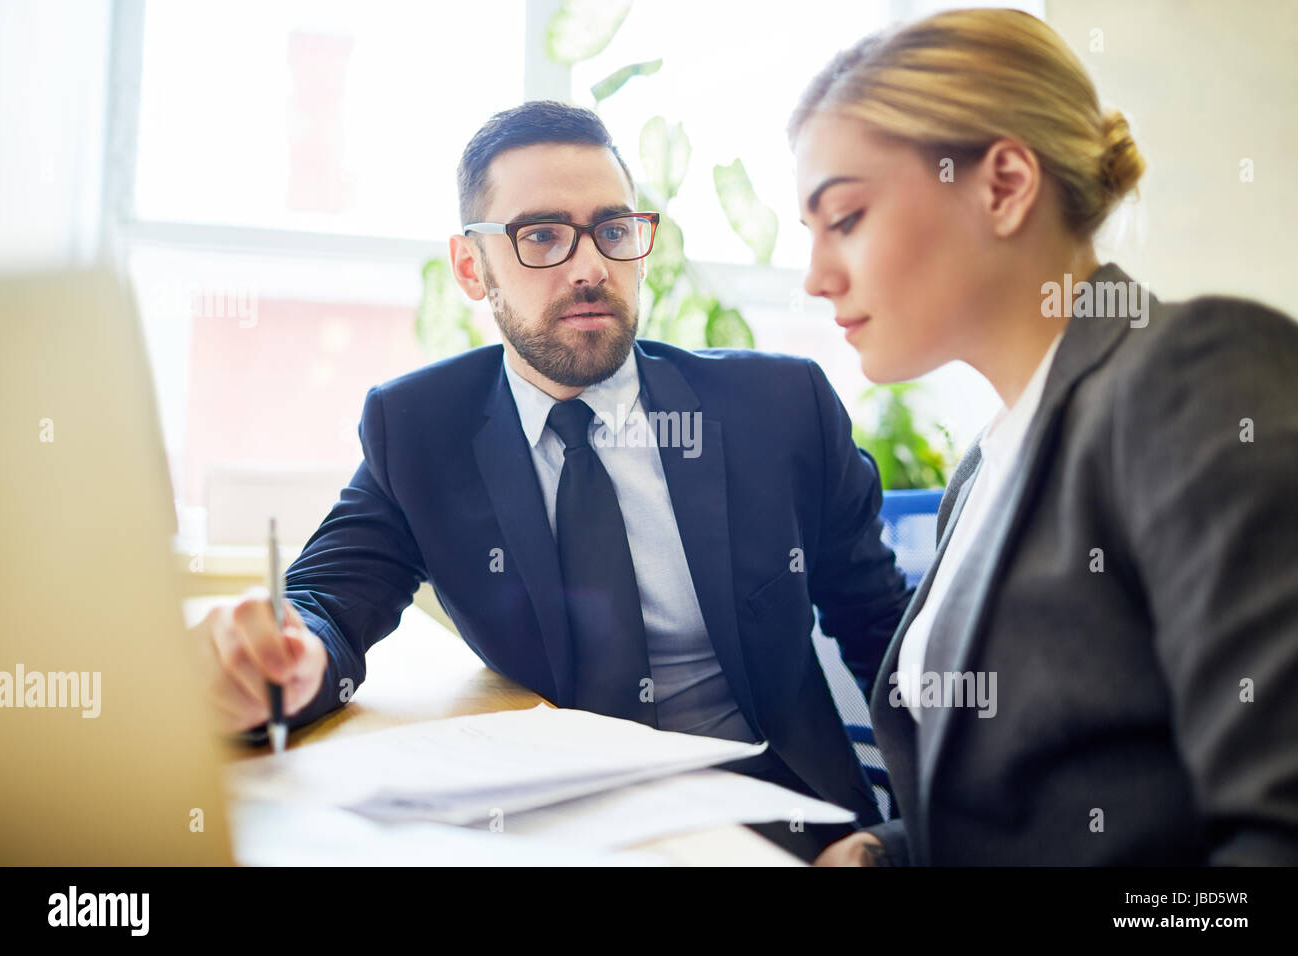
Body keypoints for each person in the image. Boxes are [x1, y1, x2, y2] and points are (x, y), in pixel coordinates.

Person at [191, 100, 913, 855]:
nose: (592, 267)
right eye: (541, 235)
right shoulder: (422, 431)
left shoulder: (779, 410)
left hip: (785, 822)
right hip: (559, 834)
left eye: (613, 229)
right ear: (472, 266)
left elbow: (889, 640)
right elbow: (327, 605)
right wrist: (284, 659)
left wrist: (906, 840)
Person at [789, 9, 1298, 866]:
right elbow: (1050, 803)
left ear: (1003, 184)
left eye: (844, 219)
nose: (814, 277)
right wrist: (887, 851)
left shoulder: (1194, 376)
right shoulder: (986, 470)